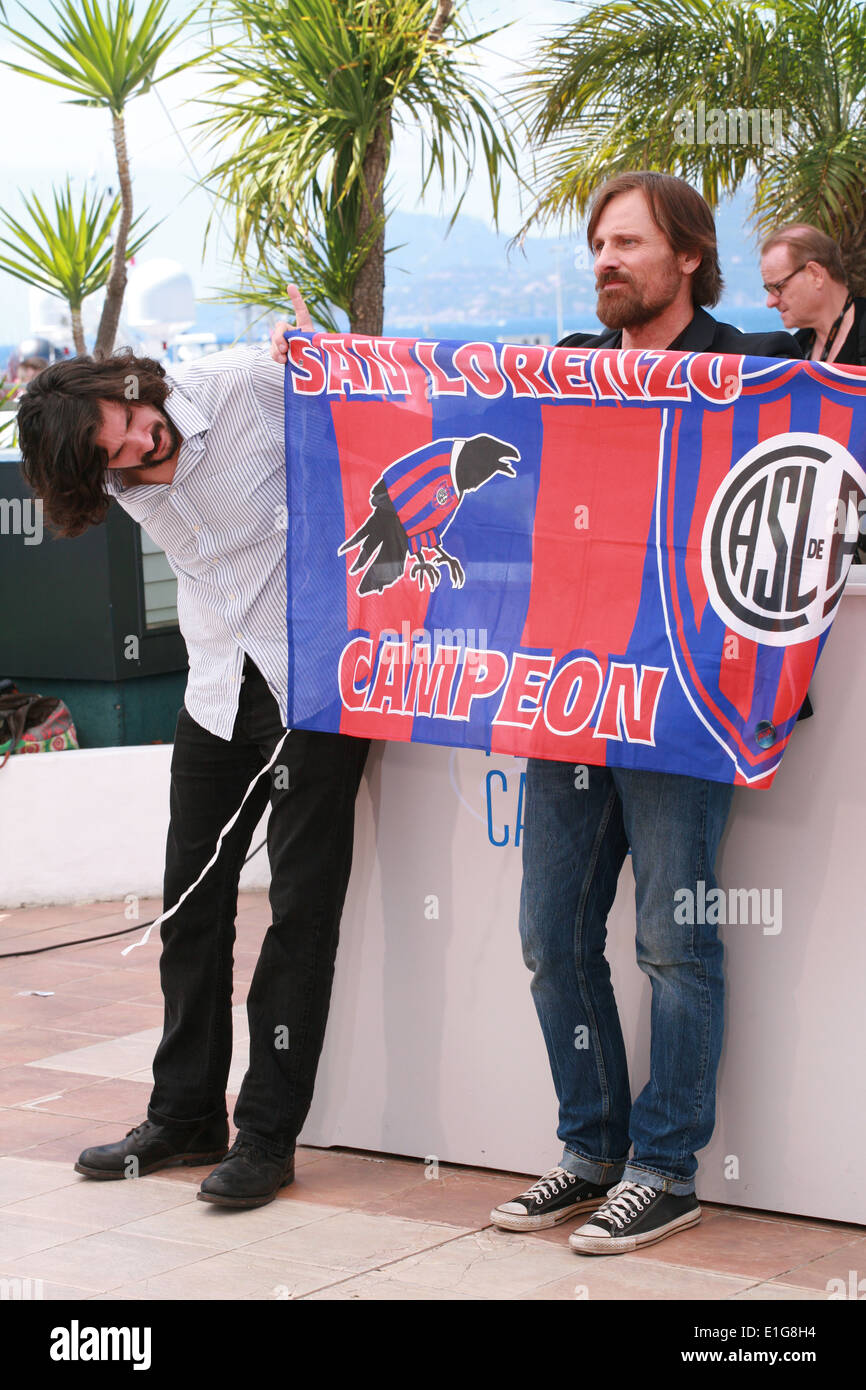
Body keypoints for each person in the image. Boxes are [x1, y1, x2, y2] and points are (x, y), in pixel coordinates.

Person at [489, 171, 802, 1255]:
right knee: (549, 937)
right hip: (567, 691)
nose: (605, 260)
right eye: (596, 245)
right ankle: (587, 1151)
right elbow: (449, 428)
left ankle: (664, 1168)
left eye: (626, 242)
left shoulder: (752, 366)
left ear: (686, 254)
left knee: (674, 941)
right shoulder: (569, 366)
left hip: (681, 697)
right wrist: (333, 368)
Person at [16, 287, 371, 1209]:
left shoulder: (247, 383)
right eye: (110, 457)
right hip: (216, 683)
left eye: (128, 421)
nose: (138, 446)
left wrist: (324, 353)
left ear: (131, 385)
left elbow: (377, 414)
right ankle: (182, 1117)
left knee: (300, 913)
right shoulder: (117, 479)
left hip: (315, 679)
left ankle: (265, 1135)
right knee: (191, 908)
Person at [760, 222, 866, 365]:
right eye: (769, 290)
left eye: (779, 287)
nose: (770, 302)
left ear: (816, 274)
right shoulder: (795, 351)